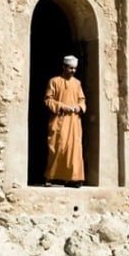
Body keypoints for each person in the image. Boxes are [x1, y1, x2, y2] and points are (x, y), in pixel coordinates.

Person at [44, 55, 86, 187]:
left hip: (73, 121)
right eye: (70, 68)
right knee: (57, 147)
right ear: (64, 67)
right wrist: (62, 107)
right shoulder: (54, 81)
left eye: (75, 68)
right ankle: (52, 177)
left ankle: (73, 179)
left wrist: (79, 107)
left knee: (74, 149)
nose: (73, 71)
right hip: (59, 120)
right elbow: (48, 99)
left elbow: (82, 100)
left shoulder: (77, 83)